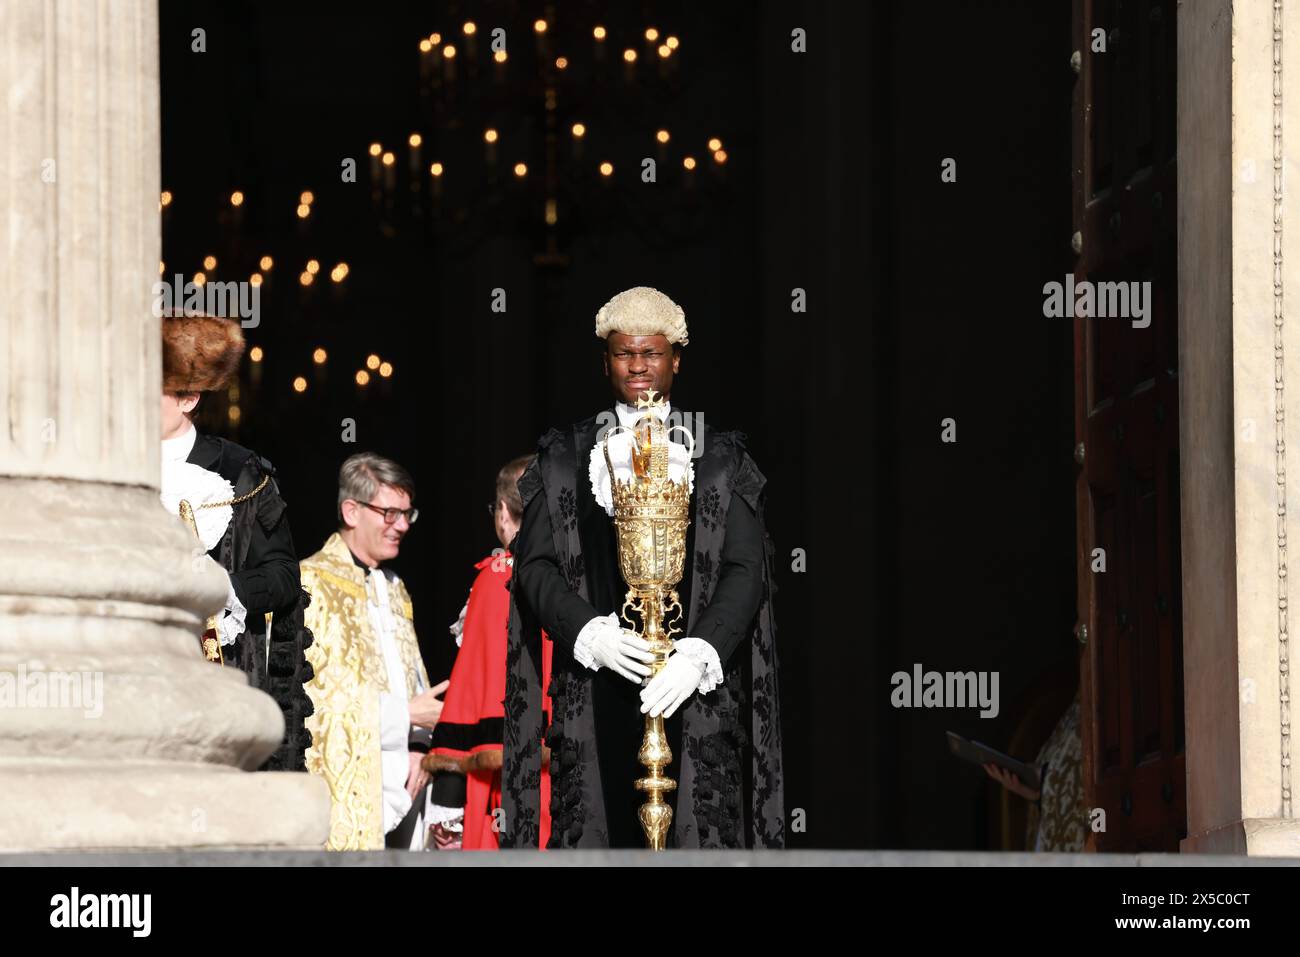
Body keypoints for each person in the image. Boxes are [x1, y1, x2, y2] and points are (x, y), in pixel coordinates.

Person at [502, 286, 785, 849]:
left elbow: (744, 570)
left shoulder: (721, 458)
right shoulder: (563, 456)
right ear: (604, 360)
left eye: (651, 353)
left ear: (675, 359)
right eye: (623, 353)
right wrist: (586, 631)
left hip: (695, 698)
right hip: (594, 693)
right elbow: (533, 567)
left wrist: (702, 651)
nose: (637, 366)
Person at [158, 312, 314, 771]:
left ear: (188, 398)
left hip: (218, 678)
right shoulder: (112, 468)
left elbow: (283, 577)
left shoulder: (239, 469)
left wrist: (219, 587)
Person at [301, 453, 448, 850]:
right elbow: (310, 704)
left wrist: (420, 745)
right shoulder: (310, 584)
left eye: (406, 514)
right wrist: (403, 715)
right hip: (351, 785)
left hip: (409, 776)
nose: (401, 525)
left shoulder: (396, 585)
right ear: (351, 510)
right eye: (389, 513)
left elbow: (412, 677)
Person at [426, 455, 552, 850]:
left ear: (503, 513)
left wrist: (448, 798)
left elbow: (470, 686)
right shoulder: (578, 576)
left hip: (512, 776)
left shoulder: (496, 576)